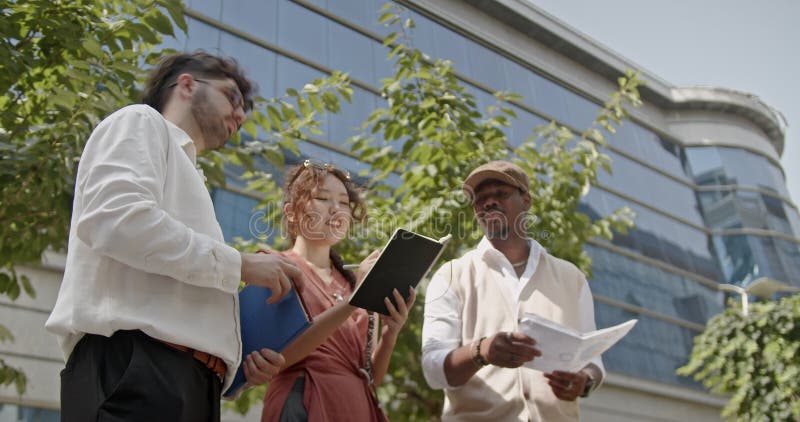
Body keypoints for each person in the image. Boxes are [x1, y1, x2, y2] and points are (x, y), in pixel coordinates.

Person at [45, 51, 304, 422]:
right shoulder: (139, 121)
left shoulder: (191, 178)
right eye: (232, 97)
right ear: (186, 84)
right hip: (136, 367)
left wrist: (238, 363)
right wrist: (242, 264)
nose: (240, 115)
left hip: (191, 383)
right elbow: (118, 219)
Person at [421, 160, 605, 421]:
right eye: (480, 199)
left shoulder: (571, 277)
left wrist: (584, 382)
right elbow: (433, 369)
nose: (488, 202)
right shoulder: (451, 275)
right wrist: (481, 351)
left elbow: (592, 359)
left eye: (500, 193)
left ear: (526, 201)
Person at [260, 159, 416, 422]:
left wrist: (391, 333)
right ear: (291, 212)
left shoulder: (356, 282)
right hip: (305, 401)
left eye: (344, 202)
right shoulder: (274, 265)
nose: (336, 209)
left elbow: (371, 376)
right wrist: (357, 300)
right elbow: (278, 357)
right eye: (322, 198)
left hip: (356, 408)